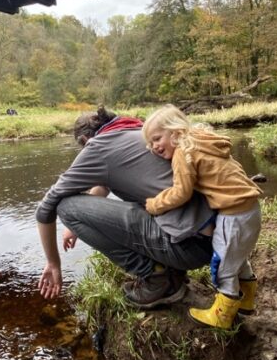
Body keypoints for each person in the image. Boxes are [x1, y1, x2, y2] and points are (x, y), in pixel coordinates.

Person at [36, 106, 215, 309]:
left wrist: (53, 262)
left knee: (66, 207)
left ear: (86, 141)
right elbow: (104, 183)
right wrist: (74, 227)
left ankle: (158, 278)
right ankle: (168, 273)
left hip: (189, 247)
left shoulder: (97, 147)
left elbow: (46, 208)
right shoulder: (139, 130)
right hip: (212, 236)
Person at [142, 105, 261, 329]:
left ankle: (222, 315)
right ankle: (246, 299)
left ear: (174, 131)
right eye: (150, 143)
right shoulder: (203, 141)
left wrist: (154, 204)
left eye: (157, 139)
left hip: (233, 215)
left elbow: (181, 192)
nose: (154, 147)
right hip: (251, 209)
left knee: (223, 264)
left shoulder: (182, 154)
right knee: (238, 257)